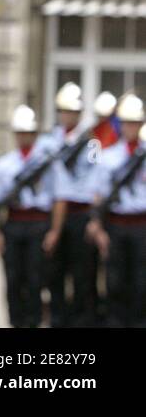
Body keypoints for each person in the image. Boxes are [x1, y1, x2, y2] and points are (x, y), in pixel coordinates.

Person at [0, 105, 55, 328]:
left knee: (35, 278)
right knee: (13, 279)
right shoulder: (3, 165)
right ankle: (15, 323)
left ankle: (33, 322)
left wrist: (53, 230)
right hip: (13, 223)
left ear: (35, 135)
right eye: (21, 132)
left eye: (29, 132)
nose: (24, 137)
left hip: (37, 223)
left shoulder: (45, 162)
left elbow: (57, 198)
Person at [86, 93, 145, 328]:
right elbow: (98, 196)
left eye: (135, 122)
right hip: (116, 224)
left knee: (142, 281)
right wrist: (98, 228)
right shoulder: (108, 157)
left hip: (142, 224)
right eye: (127, 122)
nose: (131, 127)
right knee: (115, 280)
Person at [43, 82, 100, 327]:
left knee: (82, 274)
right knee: (54, 272)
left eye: (73, 112)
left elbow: (96, 177)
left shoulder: (91, 143)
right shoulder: (49, 141)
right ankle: (57, 320)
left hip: (80, 212)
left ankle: (80, 322)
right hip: (54, 213)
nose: (68, 116)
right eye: (64, 111)